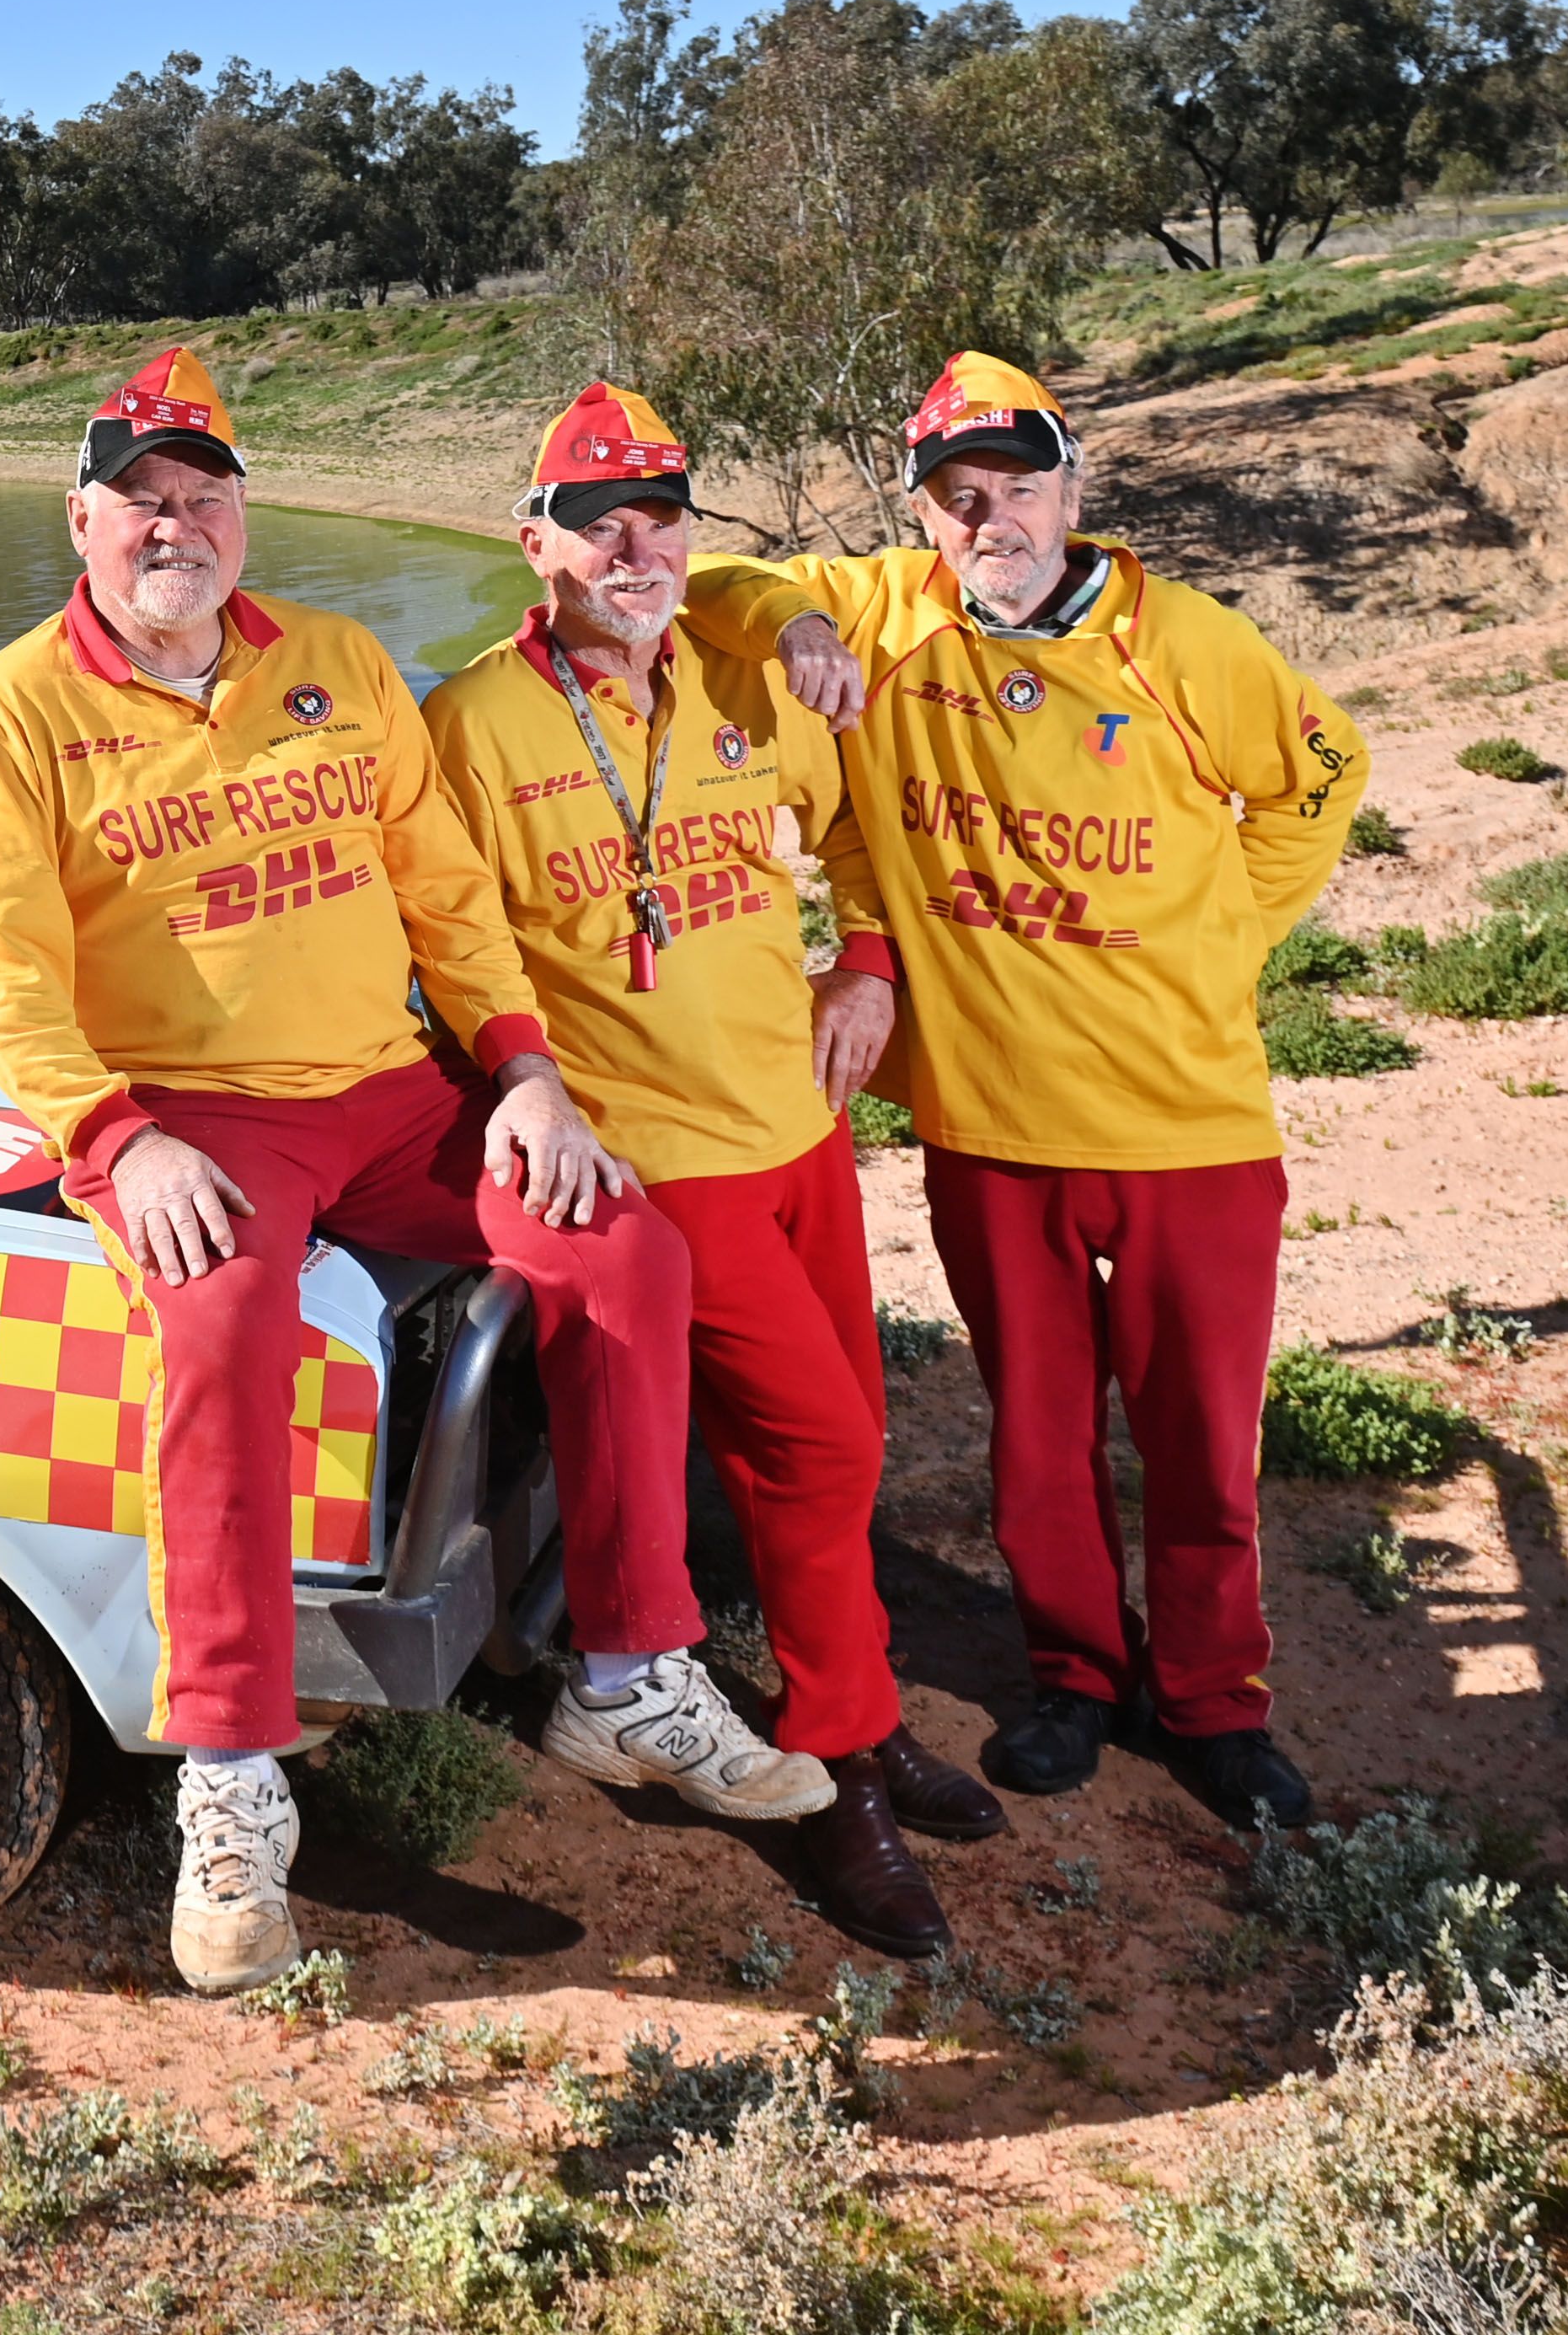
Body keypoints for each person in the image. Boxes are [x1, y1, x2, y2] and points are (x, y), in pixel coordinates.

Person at [0, 346, 832, 2000]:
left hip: (393, 1093)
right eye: (140, 504)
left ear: (241, 515)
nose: (174, 527)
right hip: (203, 1117)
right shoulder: (16, 711)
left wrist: (529, 1079)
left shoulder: (340, 662)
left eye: (202, 497)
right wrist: (117, 1136)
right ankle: (230, 1779)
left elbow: (446, 900)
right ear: (82, 524)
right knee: (216, 1331)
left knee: (618, 1244)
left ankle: (631, 1666)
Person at [693, 352, 1370, 1829]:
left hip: (1189, 1127)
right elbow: (710, 585)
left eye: (1016, 484)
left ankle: (1212, 1703)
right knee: (1040, 1433)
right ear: (921, 511)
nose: (987, 516)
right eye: (955, 494)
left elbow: (1323, 775)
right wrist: (804, 617)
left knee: (1199, 1436)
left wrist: (1220, 936)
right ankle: (1072, 1679)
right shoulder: (888, 613)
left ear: (1074, 487)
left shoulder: (1184, 642)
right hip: (993, 1131)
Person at [417, 385, 1006, 1957]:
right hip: (656, 1157)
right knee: (816, 1450)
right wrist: (521, 1086)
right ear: (529, 542)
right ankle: (836, 1784)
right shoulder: (474, 722)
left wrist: (867, 961)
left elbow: (862, 830)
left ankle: (859, 1722)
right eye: (596, 518)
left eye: (663, 513)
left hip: (803, 1126)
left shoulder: (754, 672)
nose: (634, 544)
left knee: (847, 1438)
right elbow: (444, 938)